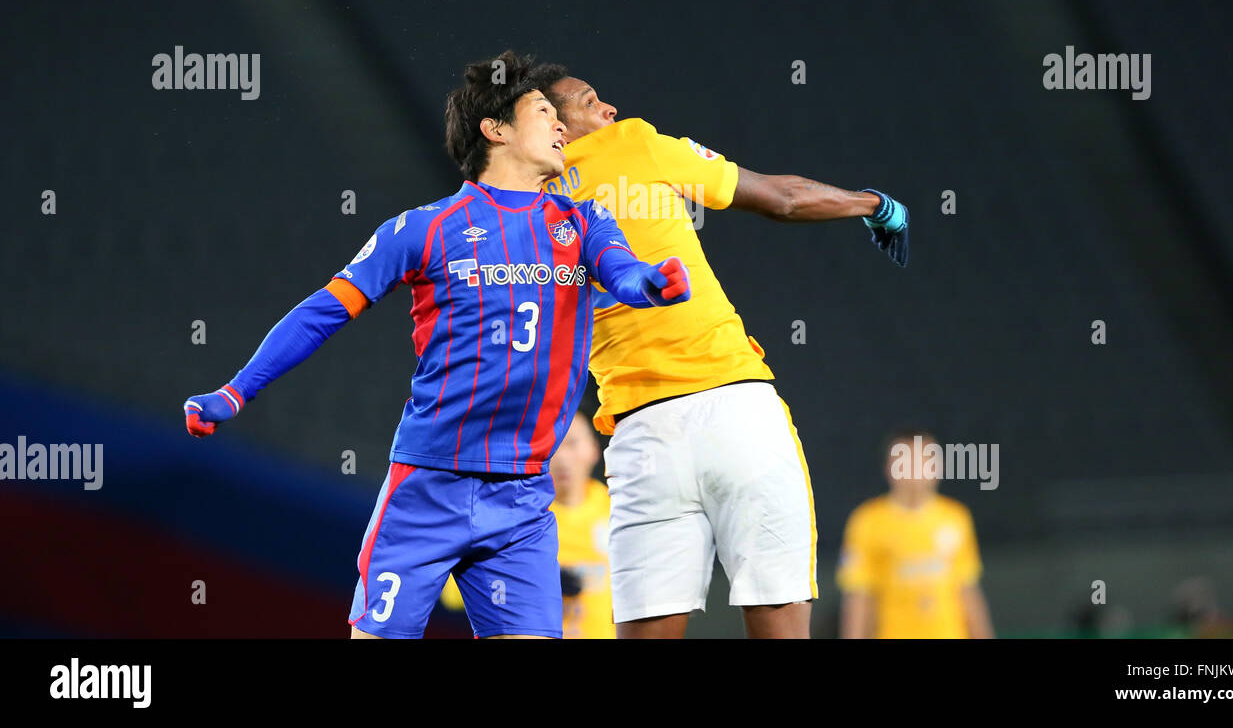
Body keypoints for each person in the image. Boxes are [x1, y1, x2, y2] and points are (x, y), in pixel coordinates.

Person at [182, 51, 691, 639]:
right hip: (428, 485)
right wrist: (236, 392)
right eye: (543, 112)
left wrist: (651, 284)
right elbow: (323, 311)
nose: (560, 125)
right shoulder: (420, 229)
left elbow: (623, 271)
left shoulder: (583, 222)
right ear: (495, 129)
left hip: (524, 499)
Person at [534, 65, 909, 638]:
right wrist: (873, 204)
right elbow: (782, 199)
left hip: (641, 438)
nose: (608, 108)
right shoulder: (633, 142)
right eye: (589, 101)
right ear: (552, 125)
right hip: (736, 411)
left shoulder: (515, 207)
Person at [442, 410, 614, 638]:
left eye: (572, 443)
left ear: (593, 448)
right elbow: (453, 596)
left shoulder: (617, 512)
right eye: (554, 447)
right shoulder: (515, 515)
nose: (562, 457)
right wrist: (535, 582)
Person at [838, 430, 994, 638]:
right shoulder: (867, 521)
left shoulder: (956, 517)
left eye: (926, 460)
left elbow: (967, 590)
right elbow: (859, 597)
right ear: (889, 468)